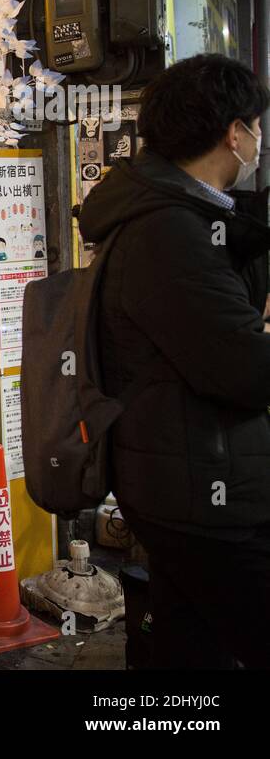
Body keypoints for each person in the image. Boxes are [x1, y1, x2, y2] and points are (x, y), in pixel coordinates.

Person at [77, 54, 270, 668]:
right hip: (205, 497)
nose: (260, 140)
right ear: (233, 134)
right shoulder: (171, 233)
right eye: (256, 126)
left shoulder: (180, 218)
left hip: (179, 483)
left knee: (187, 652)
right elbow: (245, 371)